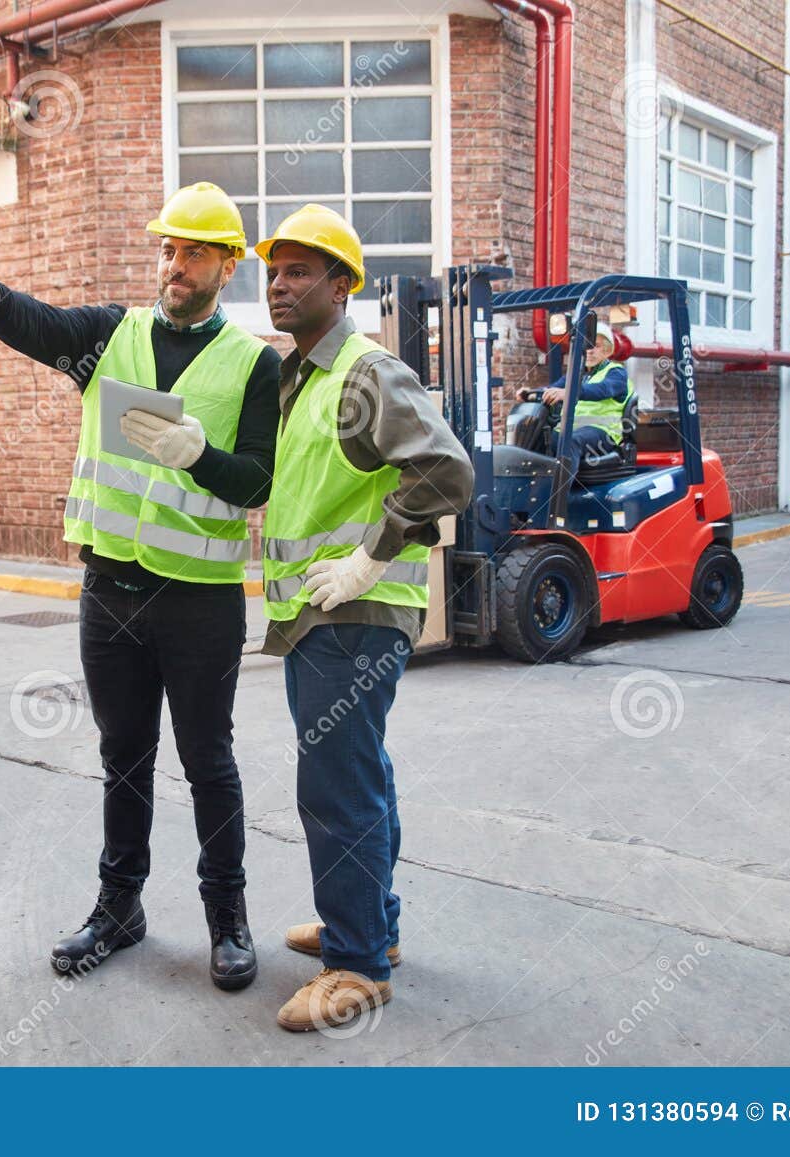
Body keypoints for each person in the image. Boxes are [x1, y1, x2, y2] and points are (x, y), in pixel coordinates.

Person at [0, 182, 281, 992]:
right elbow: (44, 327)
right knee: (123, 756)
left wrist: (201, 455)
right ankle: (118, 906)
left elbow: (257, 483)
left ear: (226, 266)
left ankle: (226, 918)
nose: (175, 263)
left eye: (194, 251)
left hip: (199, 601)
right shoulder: (111, 336)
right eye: (167, 247)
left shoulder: (253, 364)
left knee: (209, 762)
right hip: (110, 593)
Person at [254, 204, 474, 1033]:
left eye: (300, 270)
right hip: (324, 613)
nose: (280, 284)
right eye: (274, 270)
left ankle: (357, 964)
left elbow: (448, 474)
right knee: (360, 774)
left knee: (335, 785)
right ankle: (369, 922)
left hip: (356, 608)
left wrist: (367, 558)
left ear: (342, 286)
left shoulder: (362, 371)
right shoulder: (303, 374)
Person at [520, 322, 633, 459]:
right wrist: (530, 393)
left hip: (603, 433)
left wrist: (568, 393)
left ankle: (563, 481)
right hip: (572, 430)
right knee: (536, 437)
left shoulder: (616, 372)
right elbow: (553, 388)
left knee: (570, 442)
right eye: (586, 346)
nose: (590, 351)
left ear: (607, 350)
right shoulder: (576, 375)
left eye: (596, 346)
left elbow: (602, 389)